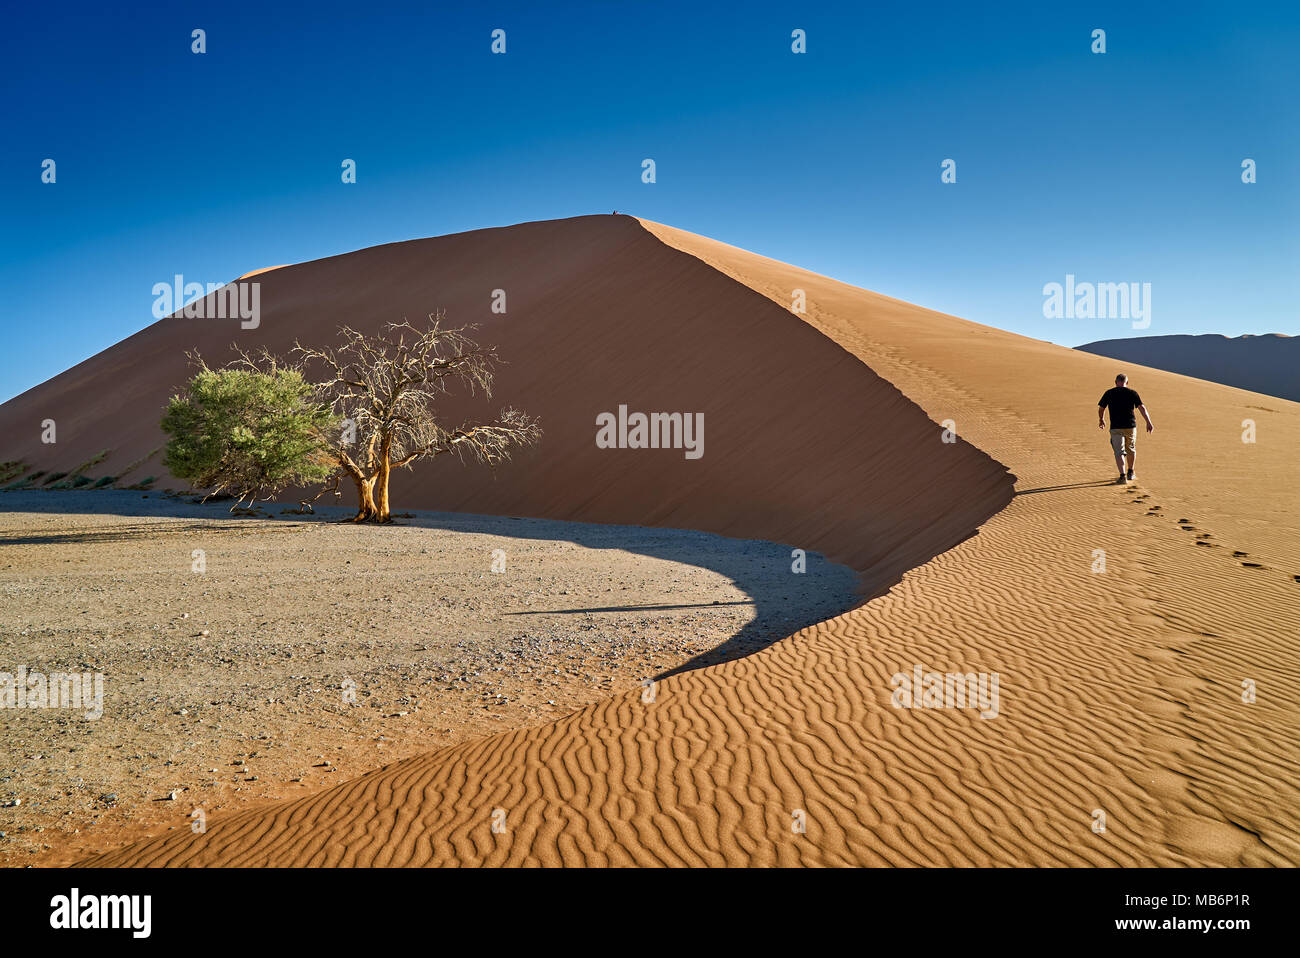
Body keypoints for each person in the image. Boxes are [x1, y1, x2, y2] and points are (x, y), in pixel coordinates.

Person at [1098, 373, 1154, 483]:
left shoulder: (1109, 393)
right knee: (1131, 449)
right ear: (1127, 383)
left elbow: (1101, 408)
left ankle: (1122, 476)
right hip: (1130, 426)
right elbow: (1142, 407)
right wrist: (1148, 422)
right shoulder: (1132, 393)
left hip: (1116, 427)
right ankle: (1131, 472)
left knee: (1119, 452)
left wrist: (1101, 419)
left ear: (1115, 382)